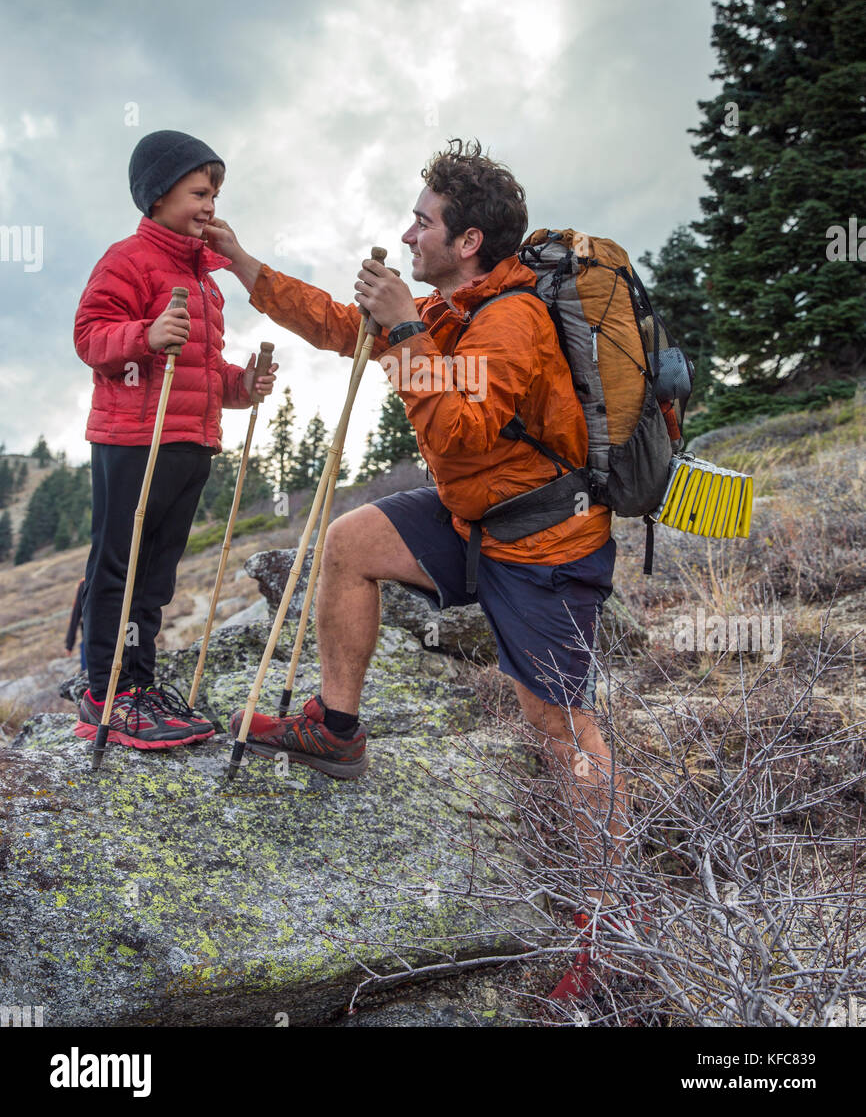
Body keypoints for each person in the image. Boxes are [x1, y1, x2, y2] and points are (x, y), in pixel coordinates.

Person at [208, 139, 626, 894]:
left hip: (543, 543)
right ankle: (335, 732)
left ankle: (607, 920)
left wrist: (404, 330)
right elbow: (342, 326)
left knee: (560, 732)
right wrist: (245, 265)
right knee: (352, 540)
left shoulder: (513, 319)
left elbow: (462, 432)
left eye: (421, 223)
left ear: (467, 242)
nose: (407, 236)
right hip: (477, 517)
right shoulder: (454, 305)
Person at [72, 130, 277, 751]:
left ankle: (136, 684)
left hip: (190, 441)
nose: (211, 204)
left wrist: (244, 384)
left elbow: (202, 373)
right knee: (120, 566)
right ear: (158, 195)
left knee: (156, 574)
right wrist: (145, 333)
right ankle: (103, 696)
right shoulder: (127, 259)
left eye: (214, 193)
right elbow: (90, 335)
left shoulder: (208, 281)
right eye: (199, 191)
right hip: (135, 438)